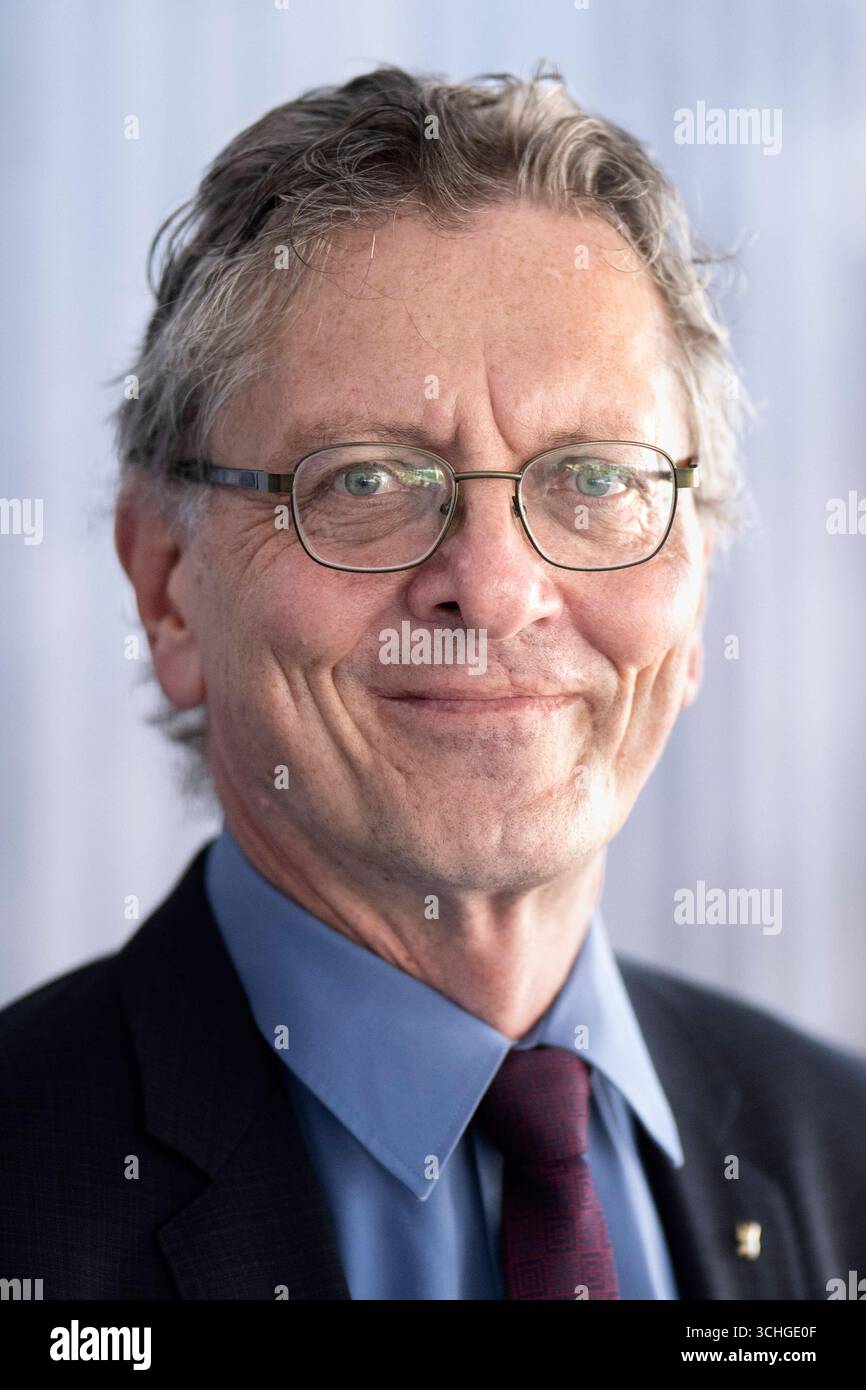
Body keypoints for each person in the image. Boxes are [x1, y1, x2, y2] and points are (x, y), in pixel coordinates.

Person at [2, 62, 864, 1301]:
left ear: (696, 560)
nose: (496, 588)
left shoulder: (839, 1154)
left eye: (593, 476)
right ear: (167, 585)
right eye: (361, 480)